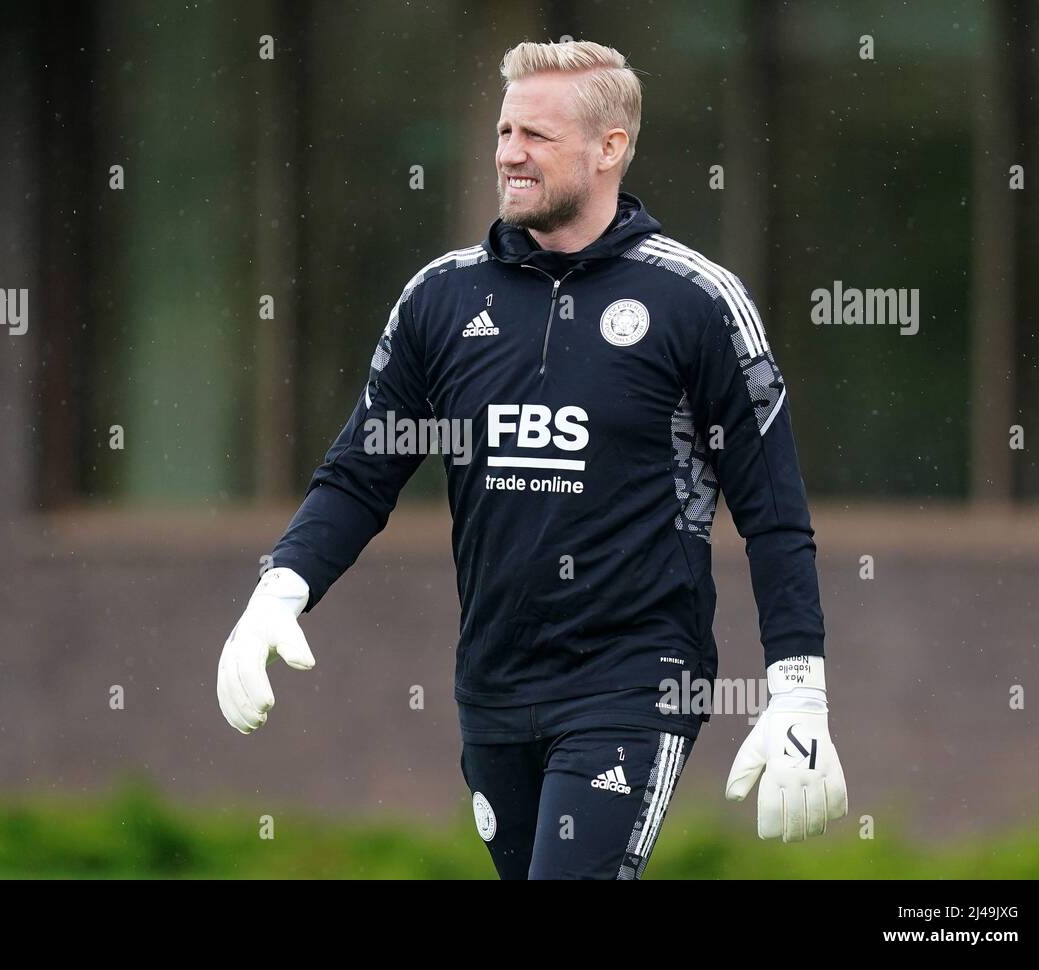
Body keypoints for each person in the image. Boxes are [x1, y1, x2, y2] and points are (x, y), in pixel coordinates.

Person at [217, 39, 847, 879]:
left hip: (637, 681)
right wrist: (279, 588)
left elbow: (774, 516)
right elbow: (361, 475)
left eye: (537, 136)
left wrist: (799, 685)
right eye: (504, 129)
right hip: (493, 687)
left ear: (610, 147)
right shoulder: (441, 299)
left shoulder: (695, 301)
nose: (509, 152)